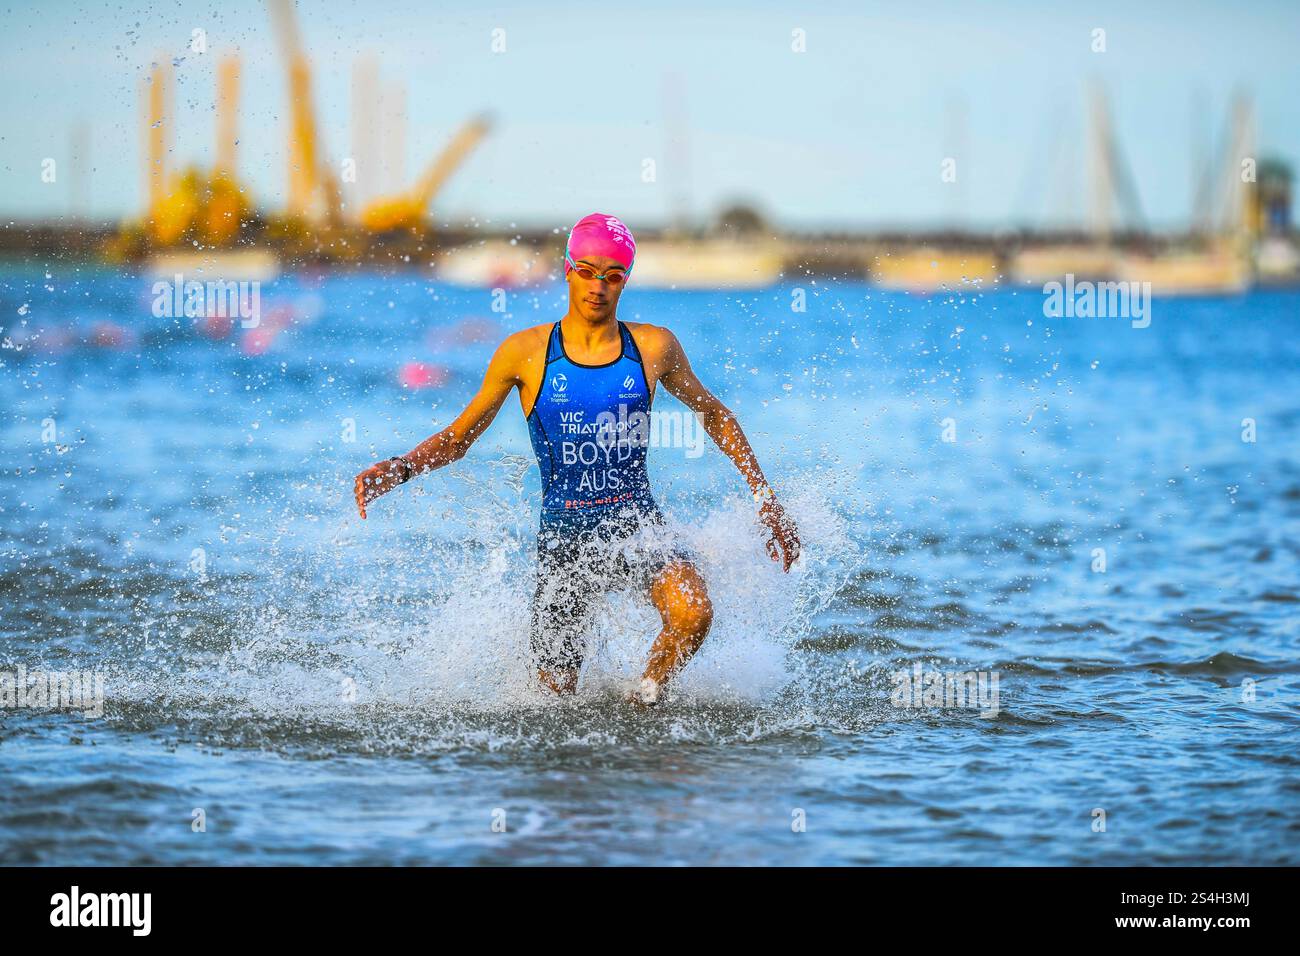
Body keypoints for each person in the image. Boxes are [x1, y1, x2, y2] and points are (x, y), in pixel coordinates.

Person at [353, 213, 800, 706]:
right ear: (567, 269)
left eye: (613, 276)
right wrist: (400, 468)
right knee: (553, 704)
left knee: (693, 613)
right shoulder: (524, 353)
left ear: (624, 281)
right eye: (587, 271)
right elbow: (459, 439)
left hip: (636, 525)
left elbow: (714, 414)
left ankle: (642, 703)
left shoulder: (653, 347)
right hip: (564, 538)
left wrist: (764, 495)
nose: (598, 286)